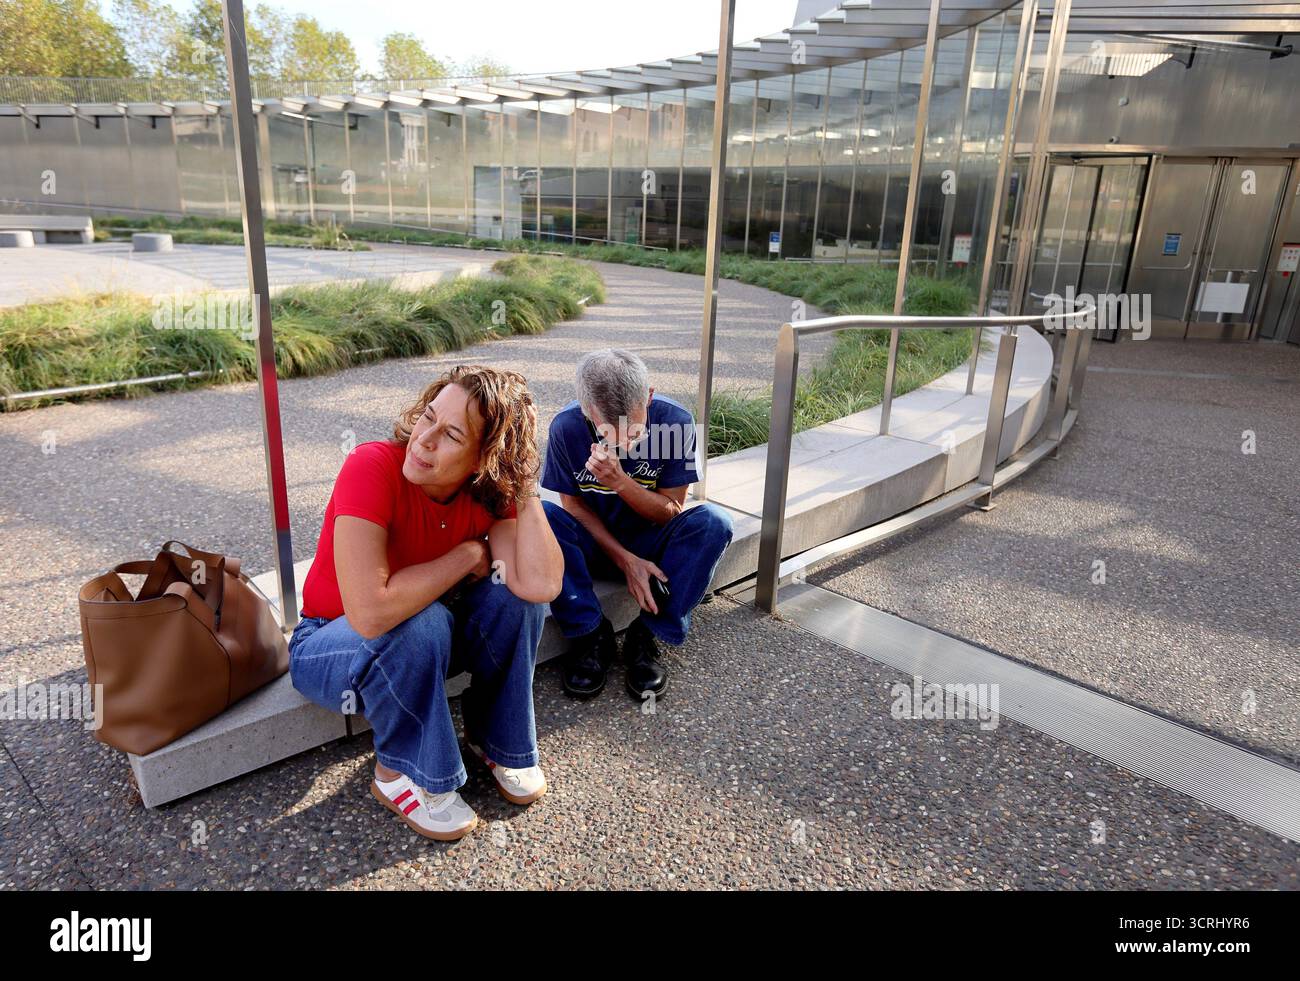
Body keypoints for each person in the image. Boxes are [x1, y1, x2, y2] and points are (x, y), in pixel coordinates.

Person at [288, 365, 564, 842]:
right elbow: (371, 613)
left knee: (514, 601)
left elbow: (540, 586)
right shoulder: (371, 466)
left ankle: (499, 742)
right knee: (421, 620)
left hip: (423, 638)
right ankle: (398, 773)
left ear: (484, 459)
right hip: (331, 646)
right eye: (429, 418)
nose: (424, 439)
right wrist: (467, 555)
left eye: (452, 434)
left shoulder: (486, 492)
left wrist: (523, 485)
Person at [541, 349, 734, 701]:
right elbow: (573, 506)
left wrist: (620, 482)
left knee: (714, 522)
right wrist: (625, 560)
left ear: (648, 395)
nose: (625, 441)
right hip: (596, 544)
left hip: (653, 538)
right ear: (586, 409)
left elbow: (671, 509)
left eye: (634, 428)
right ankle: (590, 634)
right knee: (543, 516)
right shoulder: (566, 427)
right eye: (608, 431)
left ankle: (646, 635)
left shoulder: (674, 422)